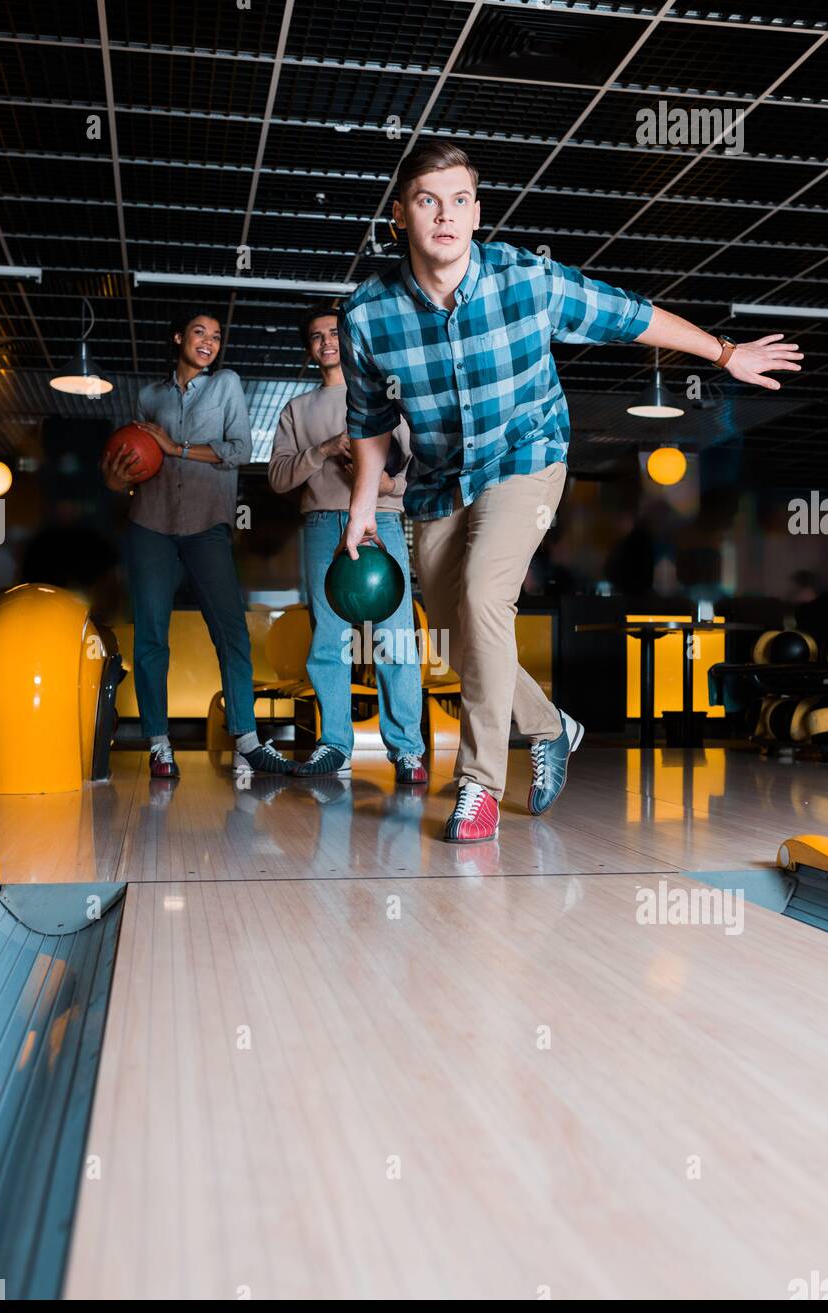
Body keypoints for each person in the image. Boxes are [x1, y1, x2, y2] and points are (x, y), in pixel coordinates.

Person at [337, 139, 803, 842]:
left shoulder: (527, 280)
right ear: (399, 214)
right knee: (460, 641)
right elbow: (369, 422)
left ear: (476, 212)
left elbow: (632, 315)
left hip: (527, 457)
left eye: (459, 200)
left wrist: (725, 353)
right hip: (436, 483)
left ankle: (477, 787)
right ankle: (550, 727)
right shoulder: (365, 316)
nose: (445, 216)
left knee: (481, 598)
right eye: (427, 201)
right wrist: (363, 505)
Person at [101, 309, 291, 780]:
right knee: (150, 637)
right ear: (179, 337)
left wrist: (176, 447)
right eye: (199, 332)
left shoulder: (226, 384)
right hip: (150, 523)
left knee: (231, 632)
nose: (209, 341)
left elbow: (239, 451)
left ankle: (246, 739)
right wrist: (112, 480)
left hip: (207, 525)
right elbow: (134, 464)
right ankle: (159, 744)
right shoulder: (148, 397)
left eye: (217, 336)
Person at [269, 305, 426, 784]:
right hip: (321, 526)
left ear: (350, 340)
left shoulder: (385, 400)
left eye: (334, 334)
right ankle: (335, 745)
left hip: (382, 523)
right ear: (309, 349)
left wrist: (383, 489)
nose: (327, 342)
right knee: (330, 640)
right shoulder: (297, 410)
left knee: (395, 637)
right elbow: (277, 478)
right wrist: (322, 449)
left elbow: (414, 472)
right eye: (316, 337)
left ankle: (407, 751)